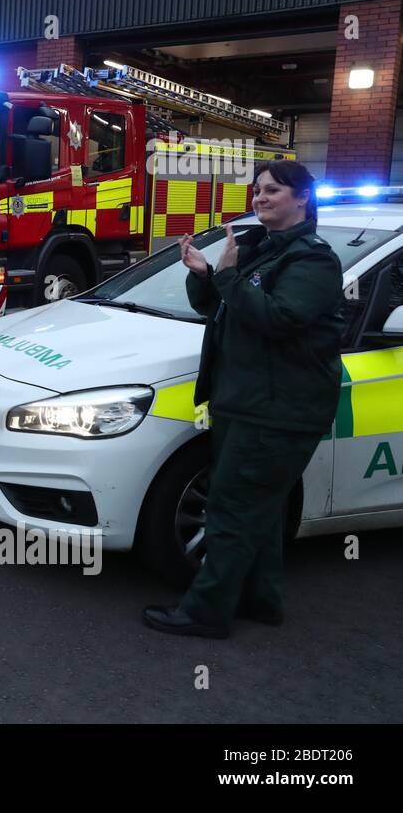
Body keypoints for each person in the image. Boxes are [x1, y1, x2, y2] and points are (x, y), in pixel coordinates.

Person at [144, 161, 344, 638]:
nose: (260, 197)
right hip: (245, 402)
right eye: (257, 191)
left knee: (232, 509)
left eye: (273, 190)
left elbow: (279, 319)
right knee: (261, 510)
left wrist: (228, 278)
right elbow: (214, 306)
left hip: (277, 410)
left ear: (303, 199)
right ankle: (262, 599)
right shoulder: (261, 248)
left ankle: (205, 612)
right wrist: (204, 273)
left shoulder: (313, 260)